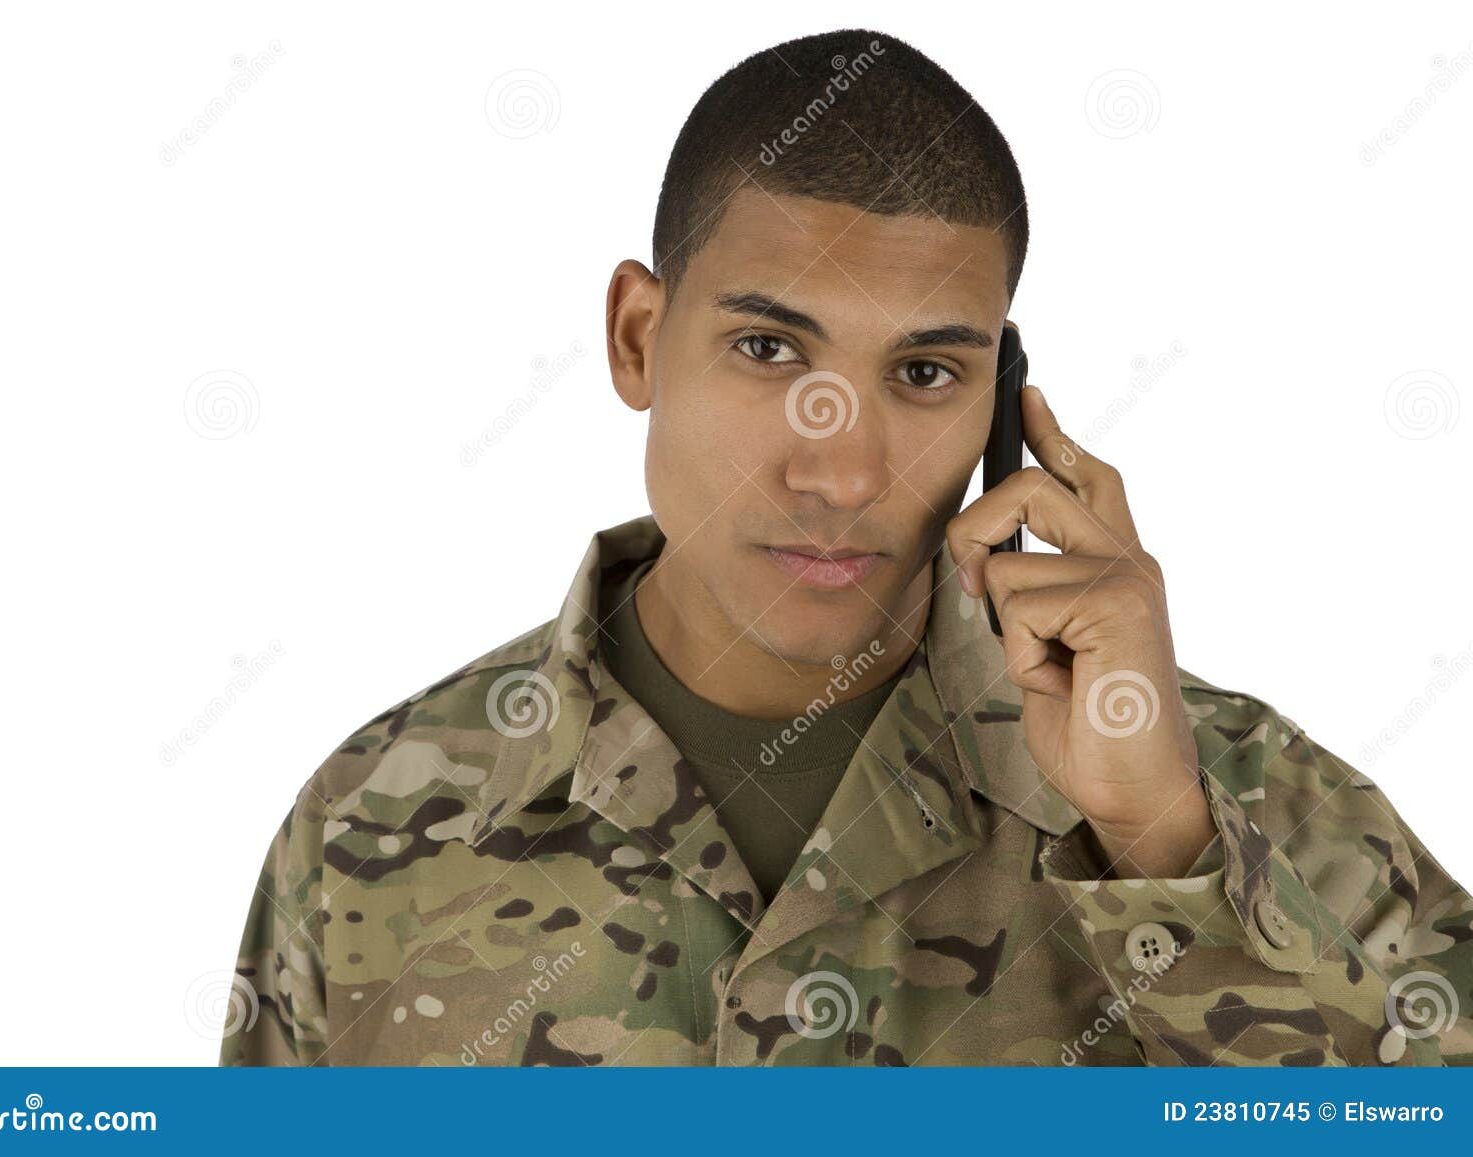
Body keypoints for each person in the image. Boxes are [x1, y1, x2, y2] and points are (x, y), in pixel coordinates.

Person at [221, 28, 1473, 1066]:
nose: (841, 470)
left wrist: (1159, 845)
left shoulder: (1234, 801)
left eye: (924, 372)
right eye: (769, 350)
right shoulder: (374, 826)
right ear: (636, 338)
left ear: (1001, 405)